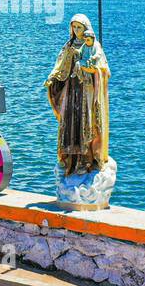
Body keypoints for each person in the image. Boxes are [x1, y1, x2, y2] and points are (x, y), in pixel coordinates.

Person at [44, 13, 110, 177]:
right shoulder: (69, 45)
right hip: (71, 89)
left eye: (79, 27)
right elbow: (60, 65)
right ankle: (70, 159)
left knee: (86, 123)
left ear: (86, 28)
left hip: (86, 90)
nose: (76, 30)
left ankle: (86, 159)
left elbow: (104, 69)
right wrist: (54, 77)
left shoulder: (94, 45)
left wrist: (94, 68)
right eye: (74, 27)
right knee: (71, 122)